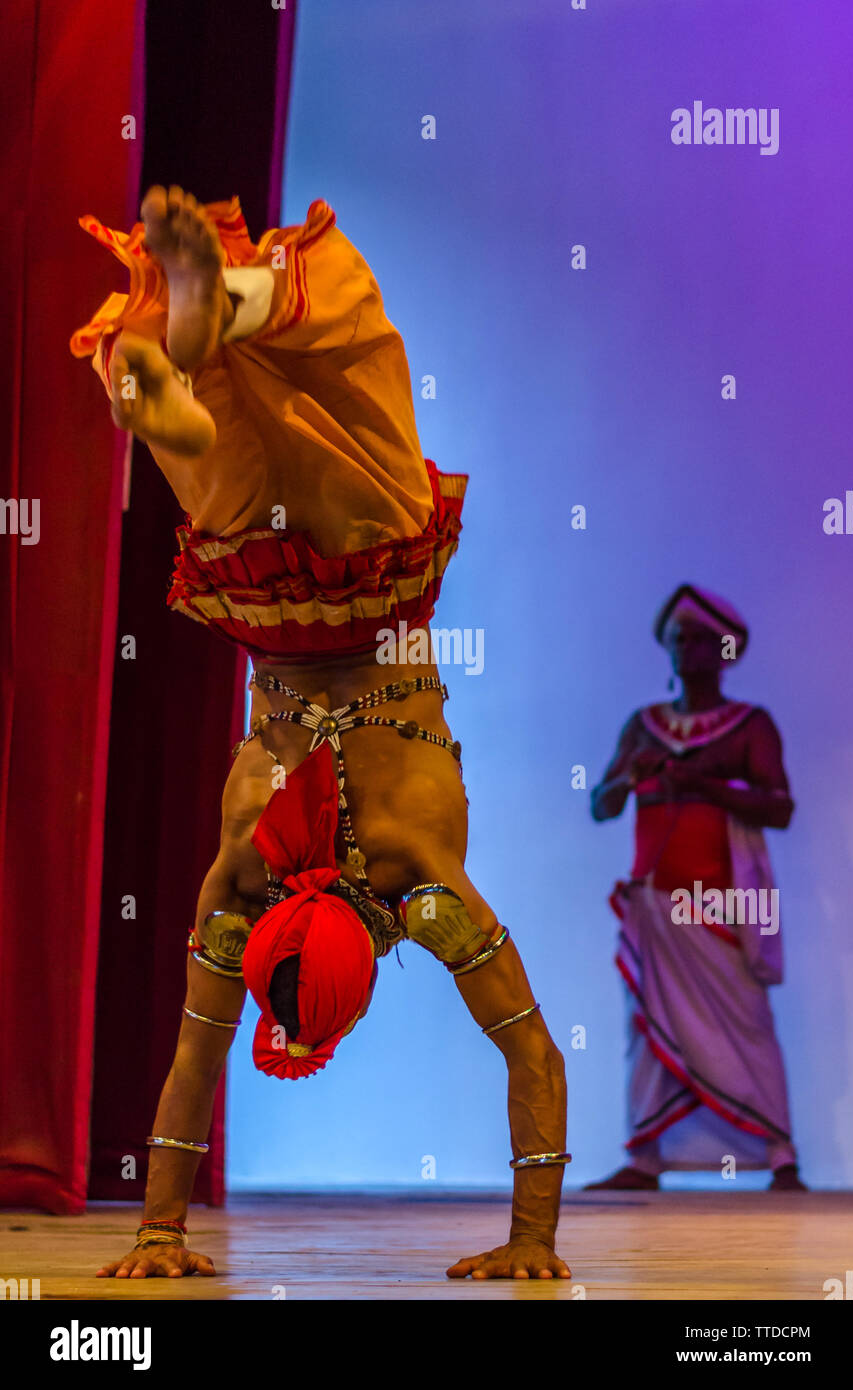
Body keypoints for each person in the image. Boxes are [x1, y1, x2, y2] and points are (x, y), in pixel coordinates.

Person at [71, 186, 571, 1280]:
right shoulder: (241, 886)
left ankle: (229, 326)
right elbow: (195, 1065)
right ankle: (182, 386)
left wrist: (539, 1235)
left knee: (354, 373)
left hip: (373, 586)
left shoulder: (424, 888)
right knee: (232, 475)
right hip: (270, 605)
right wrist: (158, 1227)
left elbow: (530, 1047)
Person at [586, 584, 805, 1192]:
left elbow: (780, 807)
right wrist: (631, 777)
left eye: (702, 639)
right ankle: (645, 1158)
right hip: (653, 901)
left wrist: (706, 782)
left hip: (719, 903)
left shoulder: (749, 726)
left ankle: (781, 1156)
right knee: (649, 1026)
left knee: (747, 1022)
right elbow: (601, 805)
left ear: (725, 649)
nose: (689, 649)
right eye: (680, 639)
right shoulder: (644, 726)